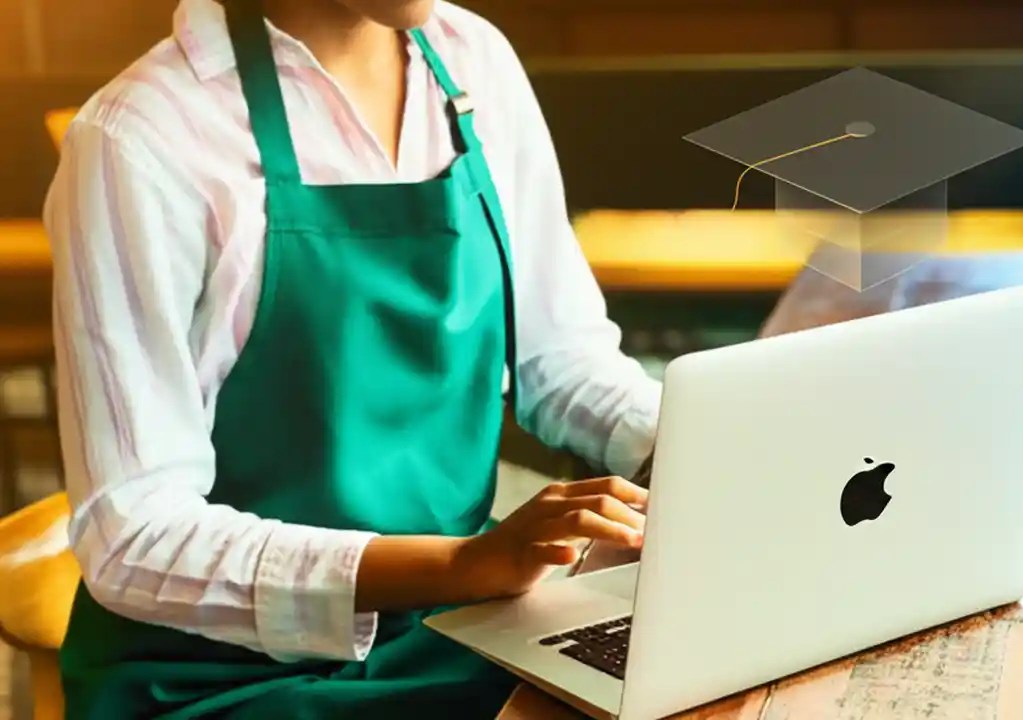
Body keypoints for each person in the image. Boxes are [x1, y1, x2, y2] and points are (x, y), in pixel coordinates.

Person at [43, 0, 661, 717]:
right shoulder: (140, 137)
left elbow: (563, 361)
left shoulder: (471, 58)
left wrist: (709, 449)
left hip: (452, 625)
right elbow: (133, 538)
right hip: (214, 677)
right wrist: (459, 565)